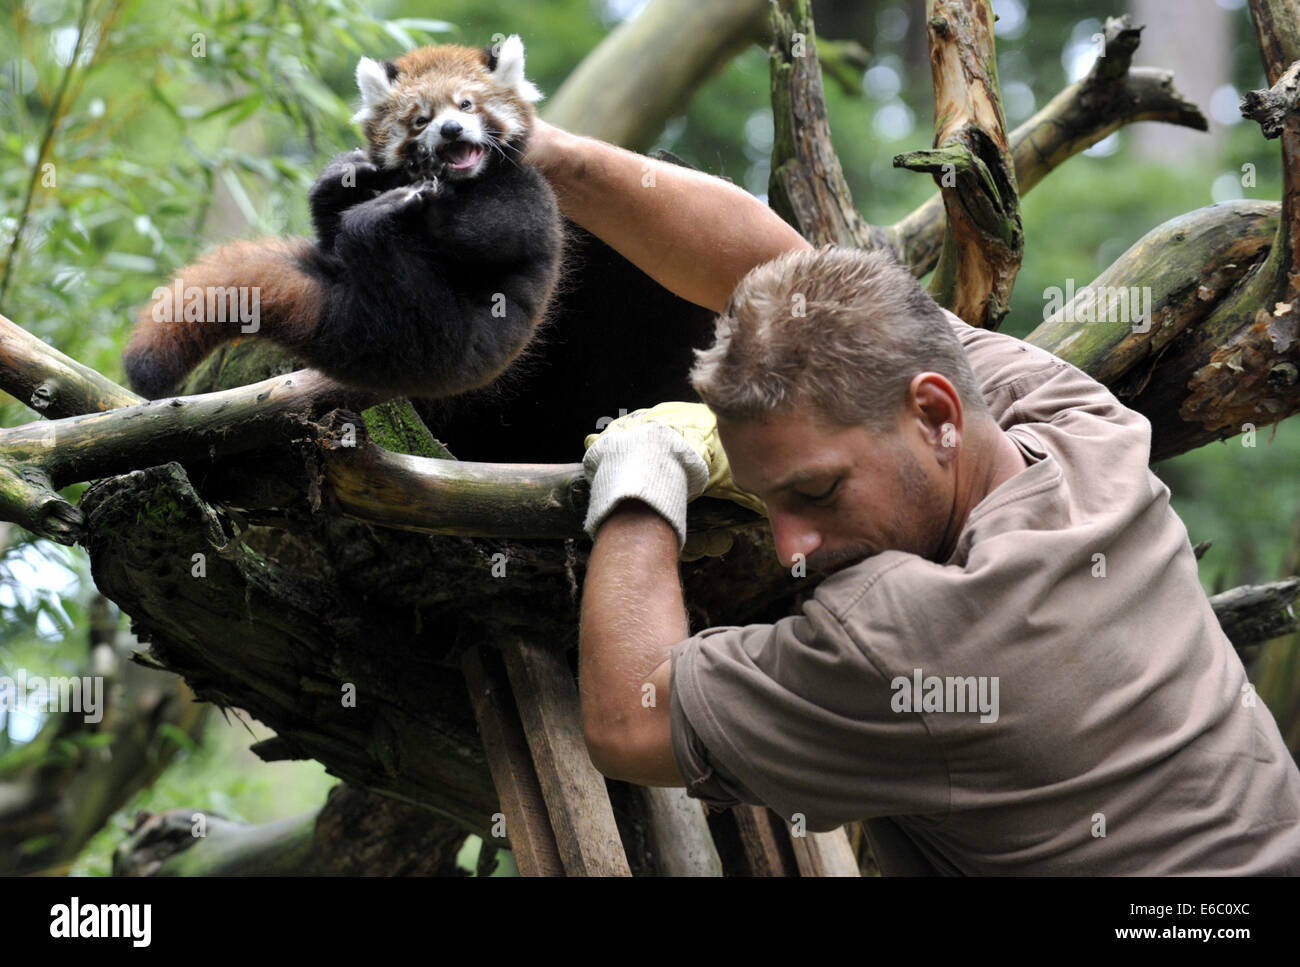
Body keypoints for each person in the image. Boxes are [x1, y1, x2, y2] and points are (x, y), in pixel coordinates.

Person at [522, 119, 1300, 874]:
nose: (790, 546)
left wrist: (642, 475)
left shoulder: (906, 639)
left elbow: (628, 717)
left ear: (934, 415)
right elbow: (787, 273)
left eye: (818, 489)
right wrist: (547, 153)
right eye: (771, 500)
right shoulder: (1081, 425)